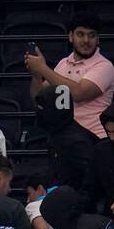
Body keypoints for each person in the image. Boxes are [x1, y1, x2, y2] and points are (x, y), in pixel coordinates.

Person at [26, 13, 114, 141]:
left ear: (98, 40)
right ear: (71, 36)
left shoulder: (105, 66)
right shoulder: (63, 63)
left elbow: (79, 93)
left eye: (92, 35)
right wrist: (36, 75)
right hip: (66, 137)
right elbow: (38, 98)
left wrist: (42, 68)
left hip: (94, 138)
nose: (86, 40)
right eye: (80, 34)